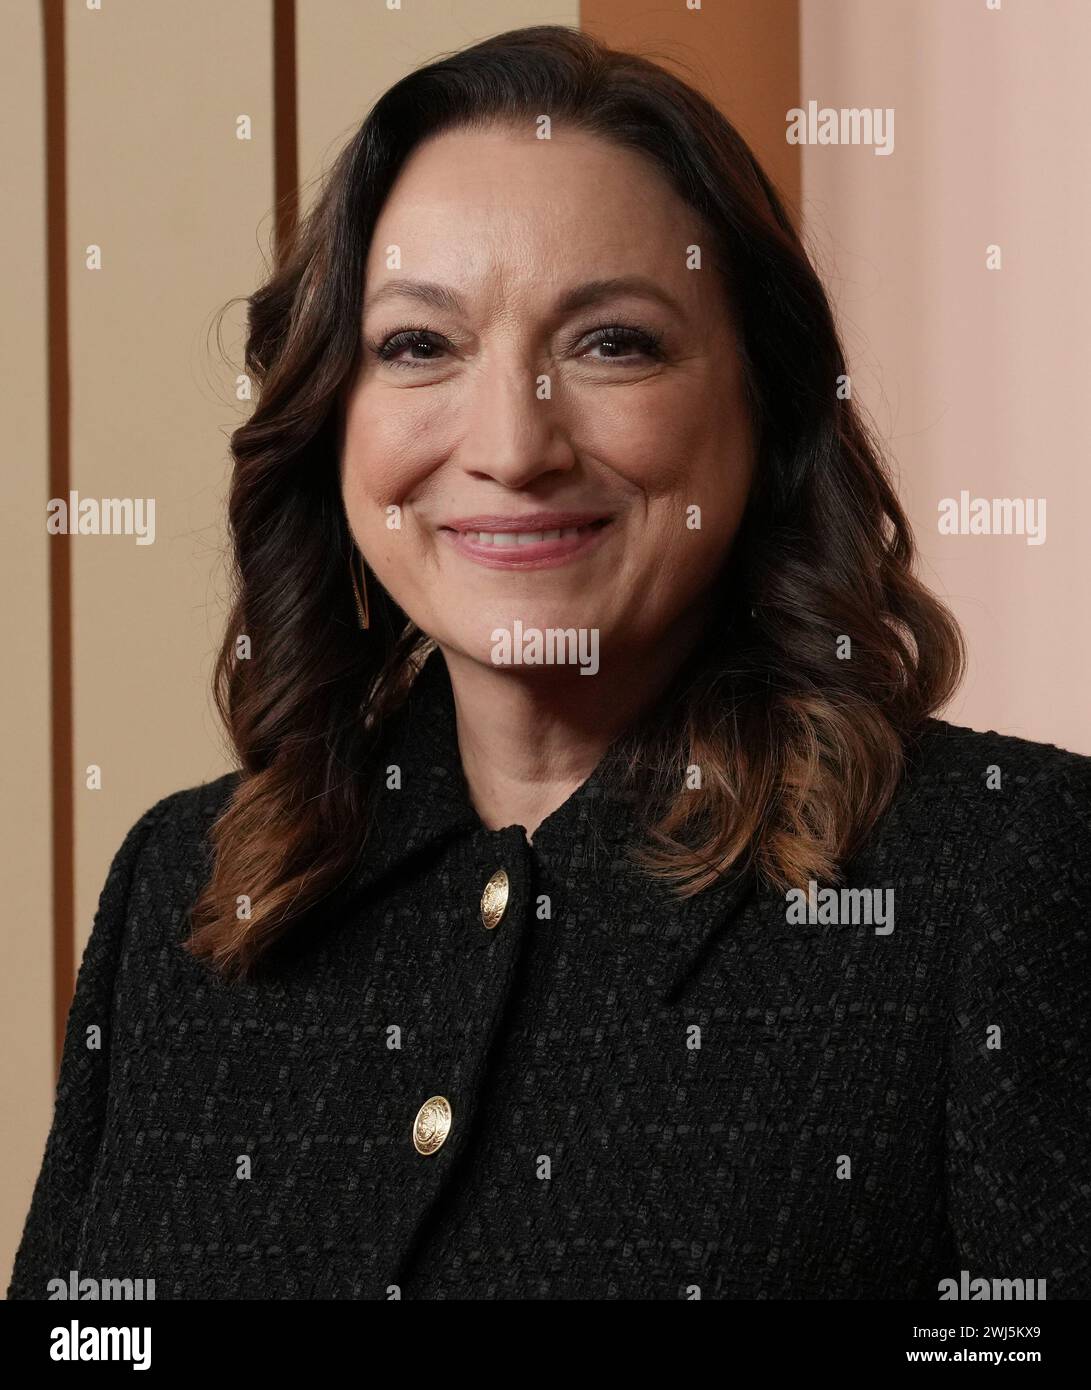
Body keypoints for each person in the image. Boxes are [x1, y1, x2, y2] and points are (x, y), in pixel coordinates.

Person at [10, 24, 1090, 1301]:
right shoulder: (181, 893)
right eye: (418, 345)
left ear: (768, 405)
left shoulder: (1003, 873)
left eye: (612, 342)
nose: (512, 446)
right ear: (330, 415)